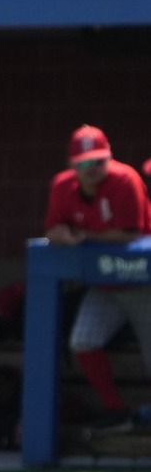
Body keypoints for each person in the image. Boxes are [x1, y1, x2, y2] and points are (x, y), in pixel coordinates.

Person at [45, 124, 151, 433]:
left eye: (98, 161)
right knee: (83, 340)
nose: (92, 169)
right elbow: (52, 228)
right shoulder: (62, 185)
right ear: (73, 165)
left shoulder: (125, 179)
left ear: (109, 158)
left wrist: (82, 235)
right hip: (104, 283)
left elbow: (129, 233)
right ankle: (116, 412)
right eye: (85, 163)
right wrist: (61, 235)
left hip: (142, 282)